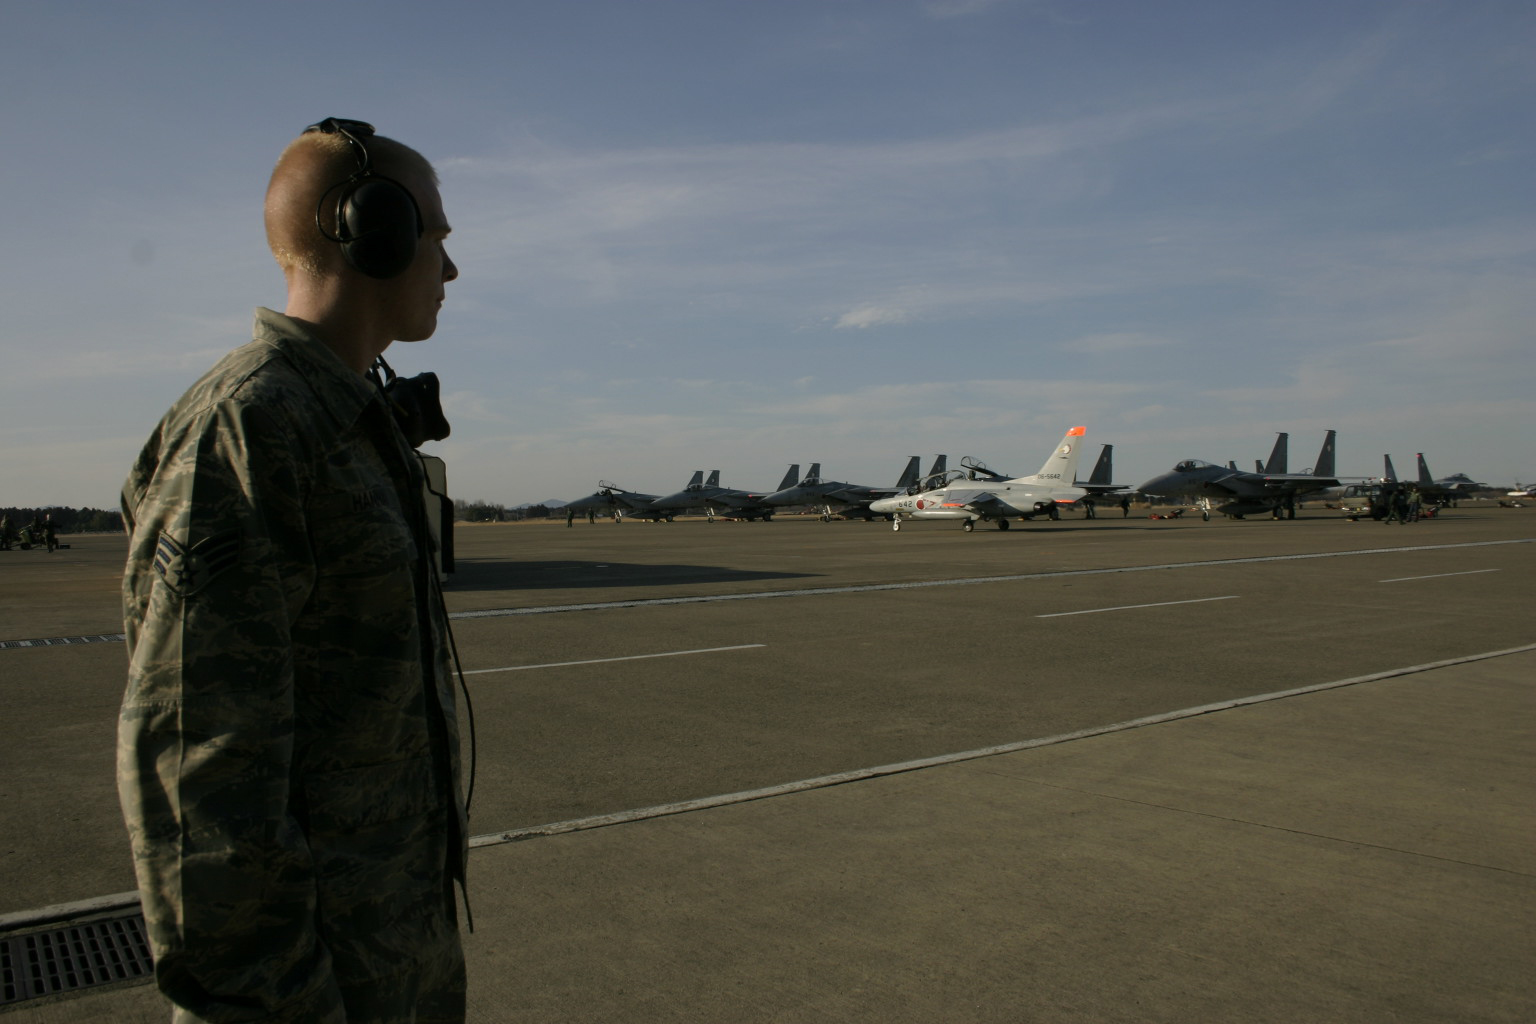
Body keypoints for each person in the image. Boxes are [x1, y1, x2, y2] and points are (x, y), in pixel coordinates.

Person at [117, 118, 467, 1024]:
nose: (451, 270)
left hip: (384, 965)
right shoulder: (250, 433)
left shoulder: (347, 424)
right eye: (437, 237)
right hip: (307, 995)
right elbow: (199, 770)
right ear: (374, 229)